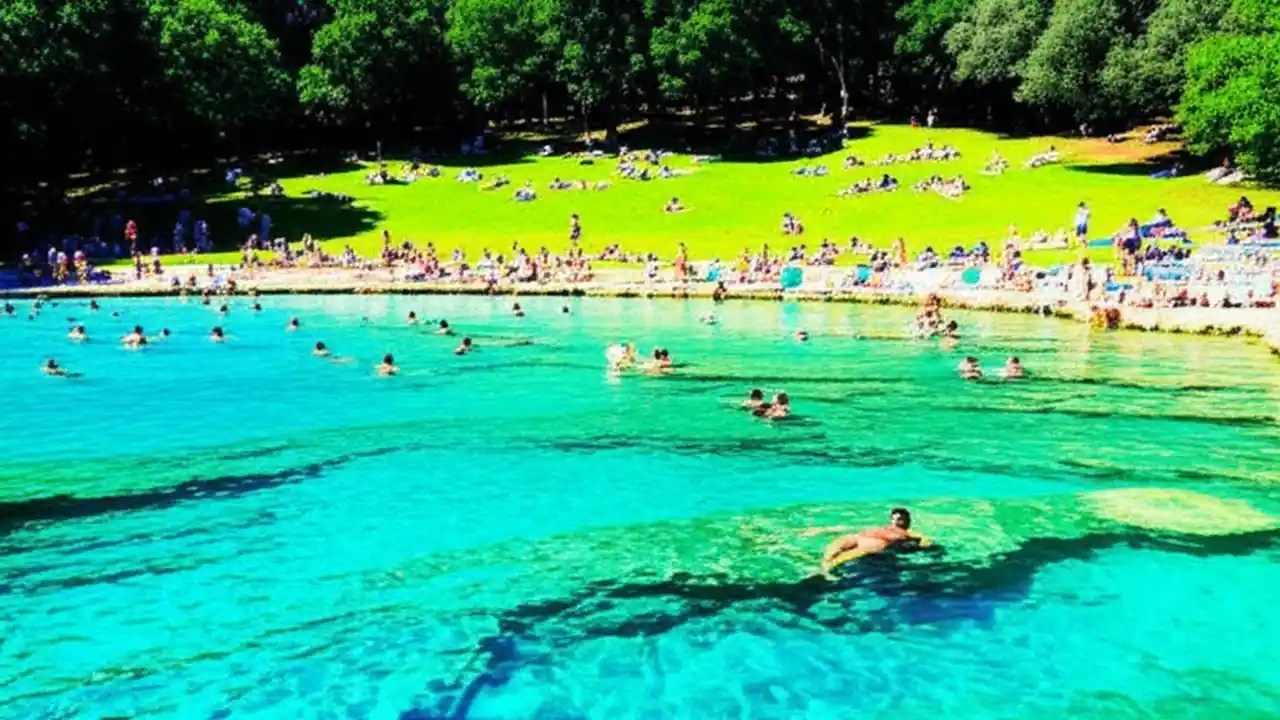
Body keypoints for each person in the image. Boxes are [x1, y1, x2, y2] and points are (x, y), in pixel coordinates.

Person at [811, 508, 927, 569]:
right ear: (890, 519)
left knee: (840, 559)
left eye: (900, 519)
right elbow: (851, 529)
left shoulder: (908, 533)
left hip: (874, 543)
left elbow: (924, 541)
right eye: (894, 519)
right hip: (856, 537)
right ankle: (823, 566)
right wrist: (822, 530)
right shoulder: (881, 527)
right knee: (831, 552)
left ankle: (827, 570)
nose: (897, 522)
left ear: (908, 522)